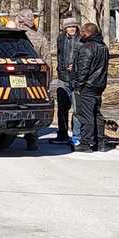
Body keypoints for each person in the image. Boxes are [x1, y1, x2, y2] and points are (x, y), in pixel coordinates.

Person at [71, 22, 110, 152]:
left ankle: (86, 143)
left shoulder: (87, 48)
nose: (80, 34)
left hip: (88, 86)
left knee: (87, 114)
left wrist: (78, 84)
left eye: (82, 32)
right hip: (99, 84)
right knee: (96, 113)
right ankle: (100, 142)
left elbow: (83, 69)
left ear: (87, 33)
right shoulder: (103, 47)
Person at [16, 9, 48, 151]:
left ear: (19, 19)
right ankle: (32, 138)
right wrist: (46, 82)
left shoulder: (10, 35)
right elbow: (47, 62)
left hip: (9, 76)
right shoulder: (39, 38)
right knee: (32, 108)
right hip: (33, 78)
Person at [50, 18, 81, 144]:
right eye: (69, 27)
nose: (72, 29)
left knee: (77, 109)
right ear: (65, 29)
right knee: (62, 109)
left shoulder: (81, 40)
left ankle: (76, 136)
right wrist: (61, 69)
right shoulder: (60, 39)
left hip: (76, 79)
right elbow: (60, 57)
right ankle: (62, 134)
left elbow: (84, 57)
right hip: (63, 78)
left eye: (74, 26)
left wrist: (76, 66)